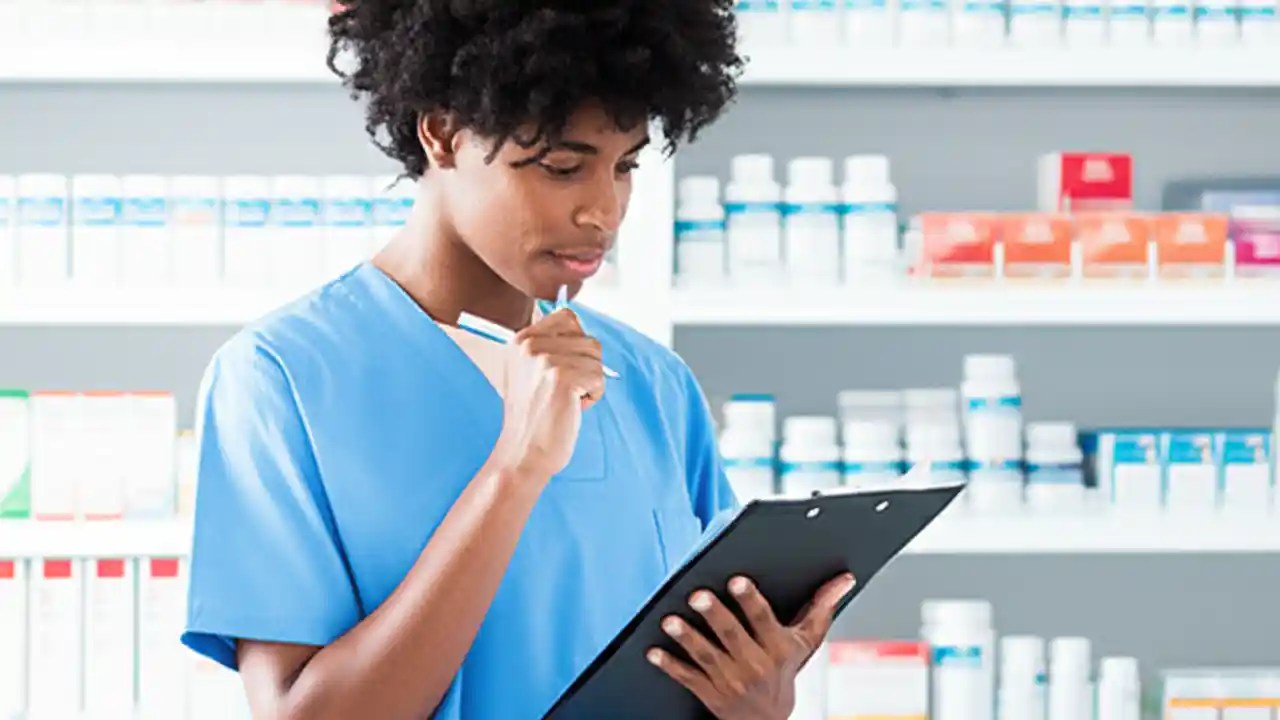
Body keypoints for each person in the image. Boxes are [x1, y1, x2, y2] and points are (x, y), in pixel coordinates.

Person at [181, 2, 855, 718]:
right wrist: (517, 467)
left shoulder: (655, 385)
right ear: (442, 133)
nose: (604, 211)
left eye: (623, 166)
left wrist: (757, 702)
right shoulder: (281, 379)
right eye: (562, 166)